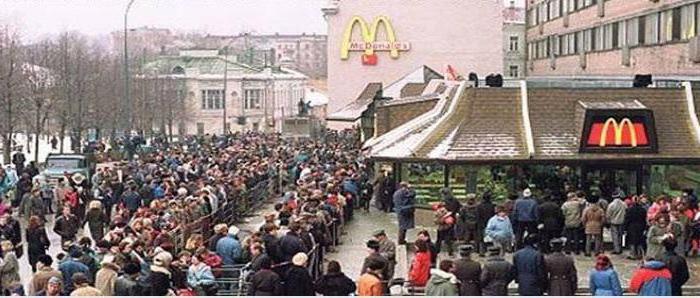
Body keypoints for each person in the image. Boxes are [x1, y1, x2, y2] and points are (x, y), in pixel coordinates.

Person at [606, 190, 628, 255]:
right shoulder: (624, 204)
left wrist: (608, 221)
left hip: (613, 222)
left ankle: (616, 249)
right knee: (620, 235)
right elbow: (626, 211)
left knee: (614, 236)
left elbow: (608, 214)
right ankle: (620, 248)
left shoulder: (611, 205)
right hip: (622, 221)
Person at [475, 192, 495, 256]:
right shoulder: (492, 205)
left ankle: (481, 251)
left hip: (481, 224)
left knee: (481, 238)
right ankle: (491, 251)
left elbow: (477, 216)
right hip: (490, 223)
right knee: (490, 237)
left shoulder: (479, 206)